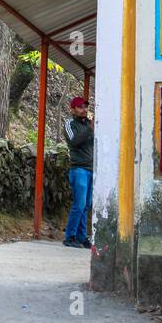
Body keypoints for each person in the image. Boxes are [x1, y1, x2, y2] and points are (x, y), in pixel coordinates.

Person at [63, 95, 93, 249]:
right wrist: (89, 129)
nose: (84, 109)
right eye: (80, 107)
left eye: (85, 106)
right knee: (79, 204)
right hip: (79, 168)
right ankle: (70, 236)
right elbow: (73, 142)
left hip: (91, 169)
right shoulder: (70, 123)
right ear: (73, 109)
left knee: (87, 205)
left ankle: (82, 237)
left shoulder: (89, 124)